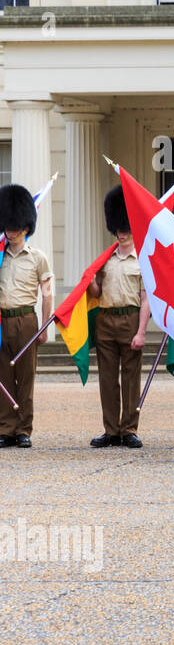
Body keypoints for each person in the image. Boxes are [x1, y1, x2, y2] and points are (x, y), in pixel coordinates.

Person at [88, 185, 151, 449]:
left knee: (130, 378)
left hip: (130, 318)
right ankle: (111, 429)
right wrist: (89, 281)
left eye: (126, 227)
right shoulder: (106, 260)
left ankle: (129, 428)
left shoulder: (142, 260)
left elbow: (146, 297)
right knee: (107, 379)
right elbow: (97, 291)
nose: (122, 232)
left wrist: (141, 331)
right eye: (119, 228)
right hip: (106, 320)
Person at [0, 184, 53, 449]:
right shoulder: (0, 255)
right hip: (2, 321)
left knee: (26, 377)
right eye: (7, 225)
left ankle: (24, 429)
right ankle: (6, 427)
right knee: (4, 378)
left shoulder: (38, 258)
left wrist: (44, 326)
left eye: (15, 225)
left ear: (25, 226)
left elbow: (46, 294)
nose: (11, 230)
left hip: (26, 320)